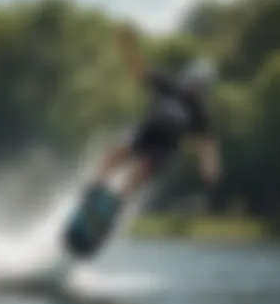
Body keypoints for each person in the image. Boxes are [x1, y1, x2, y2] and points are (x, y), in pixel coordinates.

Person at [85, 26, 221, 206]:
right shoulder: (169, 86)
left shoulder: (198, 111)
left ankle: (114, 202)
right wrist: (128, 45)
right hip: (144, 133)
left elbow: (206, 145)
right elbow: (140, 70)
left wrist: (209, 170)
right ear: (189, 76)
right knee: (117, 151)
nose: (196, 88)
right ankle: (95, 185)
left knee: (141, 171)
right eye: (195, 82)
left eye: (201, 85)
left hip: (162, 148)